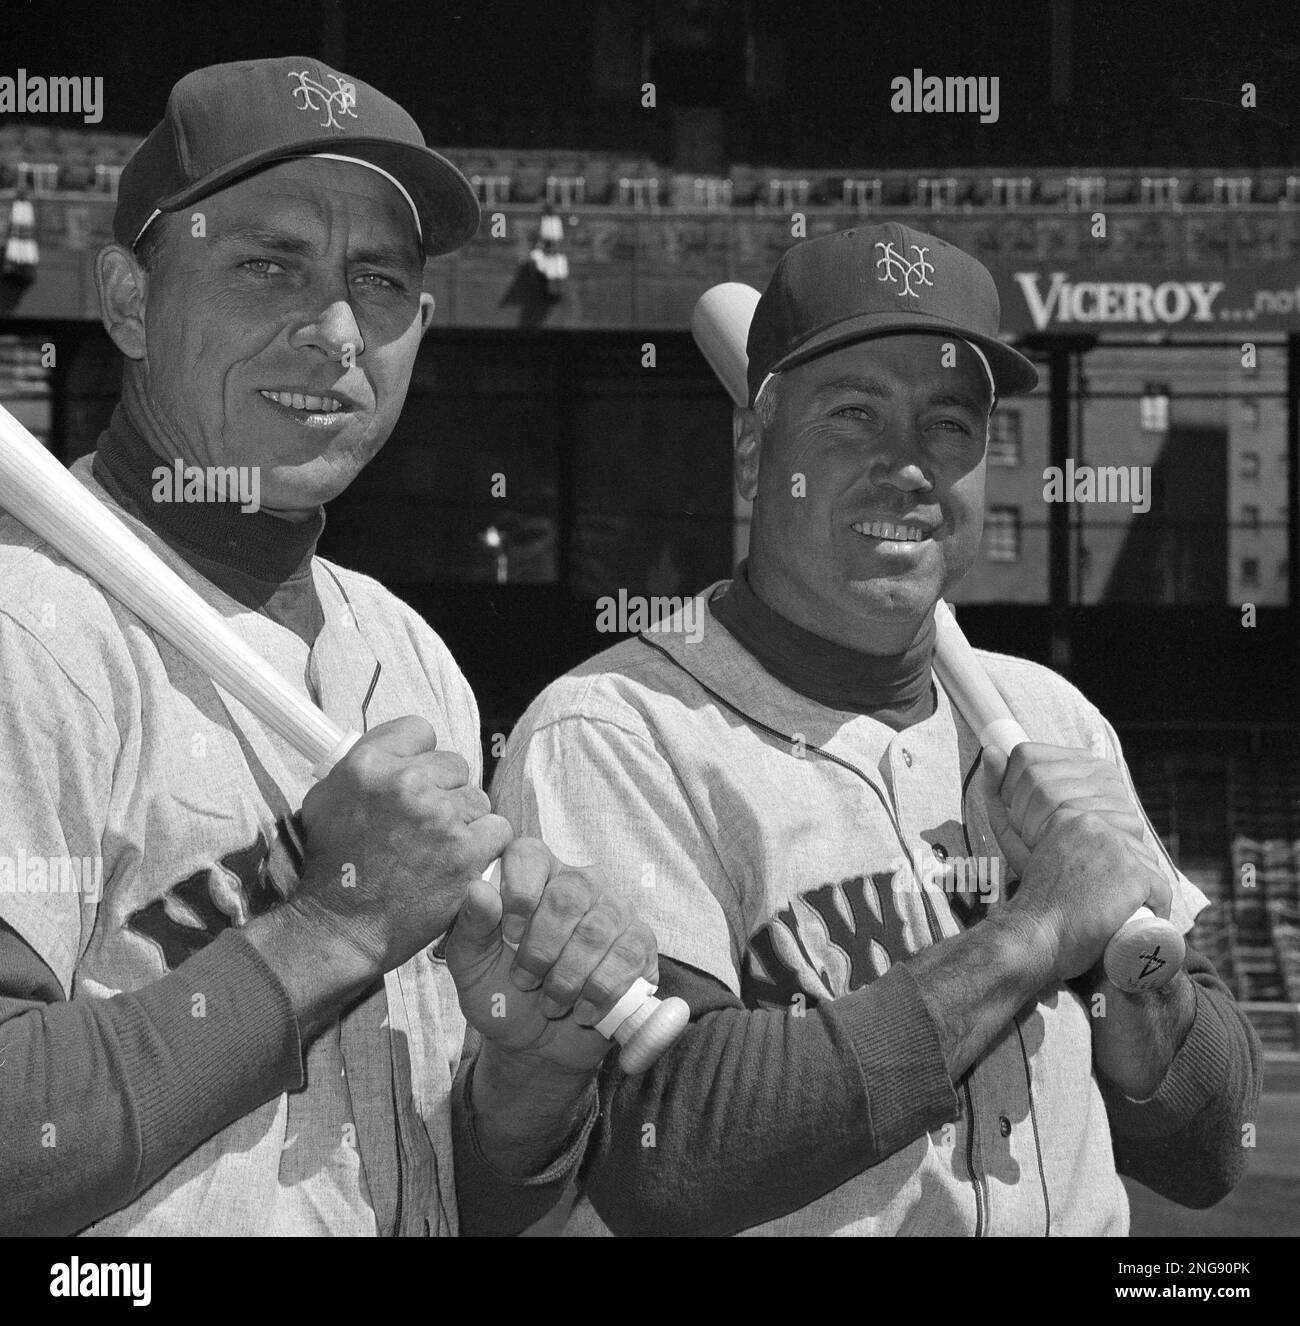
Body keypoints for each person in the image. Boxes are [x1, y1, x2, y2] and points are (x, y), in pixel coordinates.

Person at [492, 223, 1263, 1236]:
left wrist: (1136, 982)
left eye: (948, 426)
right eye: (854, 415)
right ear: (753, 449)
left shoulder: (1051, 719)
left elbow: (1208, 1154)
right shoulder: (613, 735)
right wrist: (1034, 935)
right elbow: (663, 1149)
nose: (907, 467)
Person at [0, 57, 659, 1237]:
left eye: (381, 281)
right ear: (129, 299)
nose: (338, 332)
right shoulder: (25, 630)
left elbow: (469, 1194)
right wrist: (334, 926)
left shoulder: (406, 656)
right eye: (268, 265)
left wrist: (528, 1078)